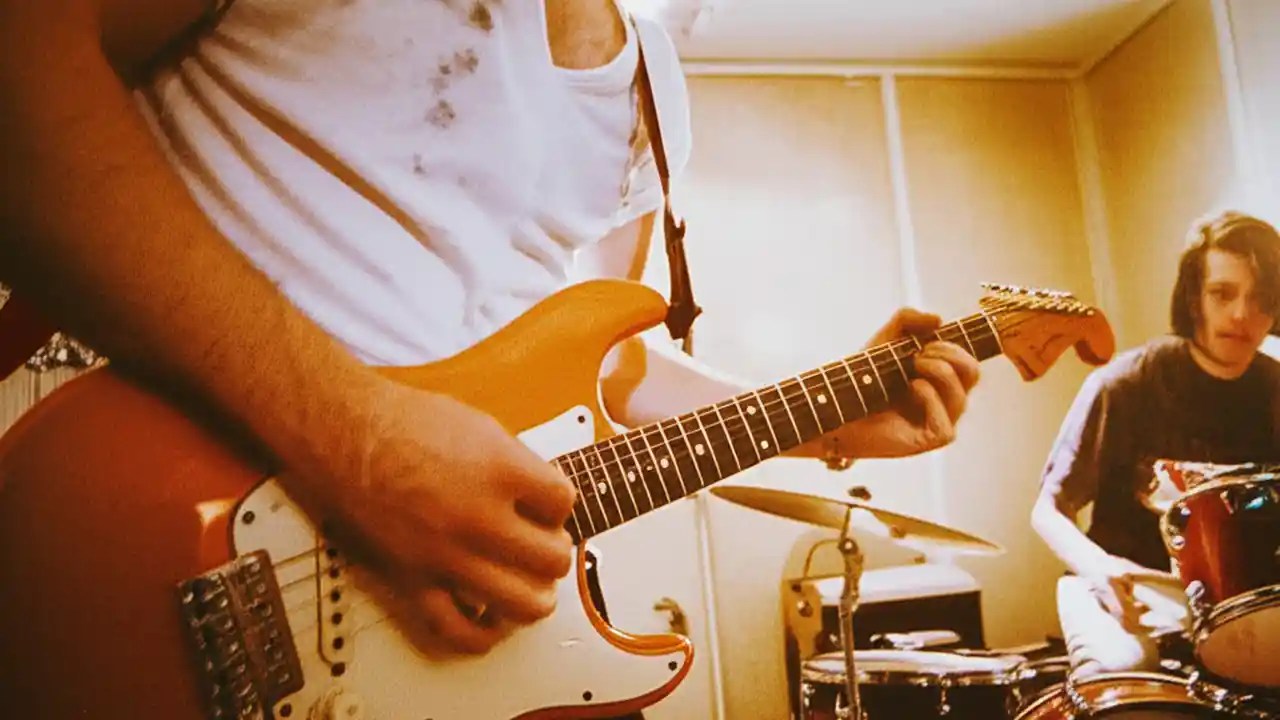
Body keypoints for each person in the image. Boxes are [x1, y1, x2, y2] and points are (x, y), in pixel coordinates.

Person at [0, 0, 980, 668]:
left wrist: (828, 414)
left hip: (421, 640)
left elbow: (597, 365)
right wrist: (355, 439)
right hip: (173, 547)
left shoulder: (650, 79)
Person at [1031, 209, 1280, 679]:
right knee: (1125, 669)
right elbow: (1047, 509)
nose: (1242, 314)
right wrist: (1099, 570)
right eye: (1222, 293)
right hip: (1121, 590)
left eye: (1262, 298)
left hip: (1235, 604)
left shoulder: (1275, 393)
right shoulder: (1127, 384)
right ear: (1192, 297)